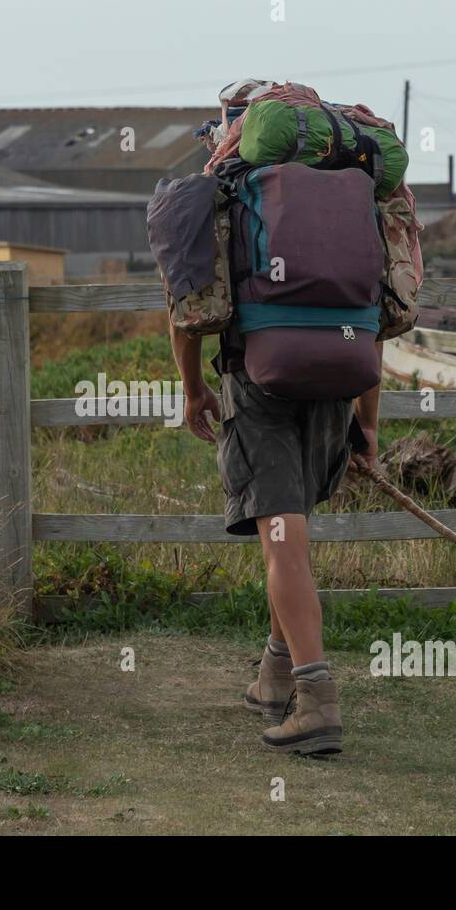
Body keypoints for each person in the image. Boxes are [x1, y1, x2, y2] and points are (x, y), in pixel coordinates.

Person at [169, 315, 384, 755]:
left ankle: (316, 703)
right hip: (336, 379)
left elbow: (187, 308)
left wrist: (193, 390)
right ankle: (276, 674)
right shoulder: (348, 240)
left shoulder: (228, 238)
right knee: (289, 530)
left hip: (259, 379)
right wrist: (368, 422)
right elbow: (377, 319)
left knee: (282, 539)